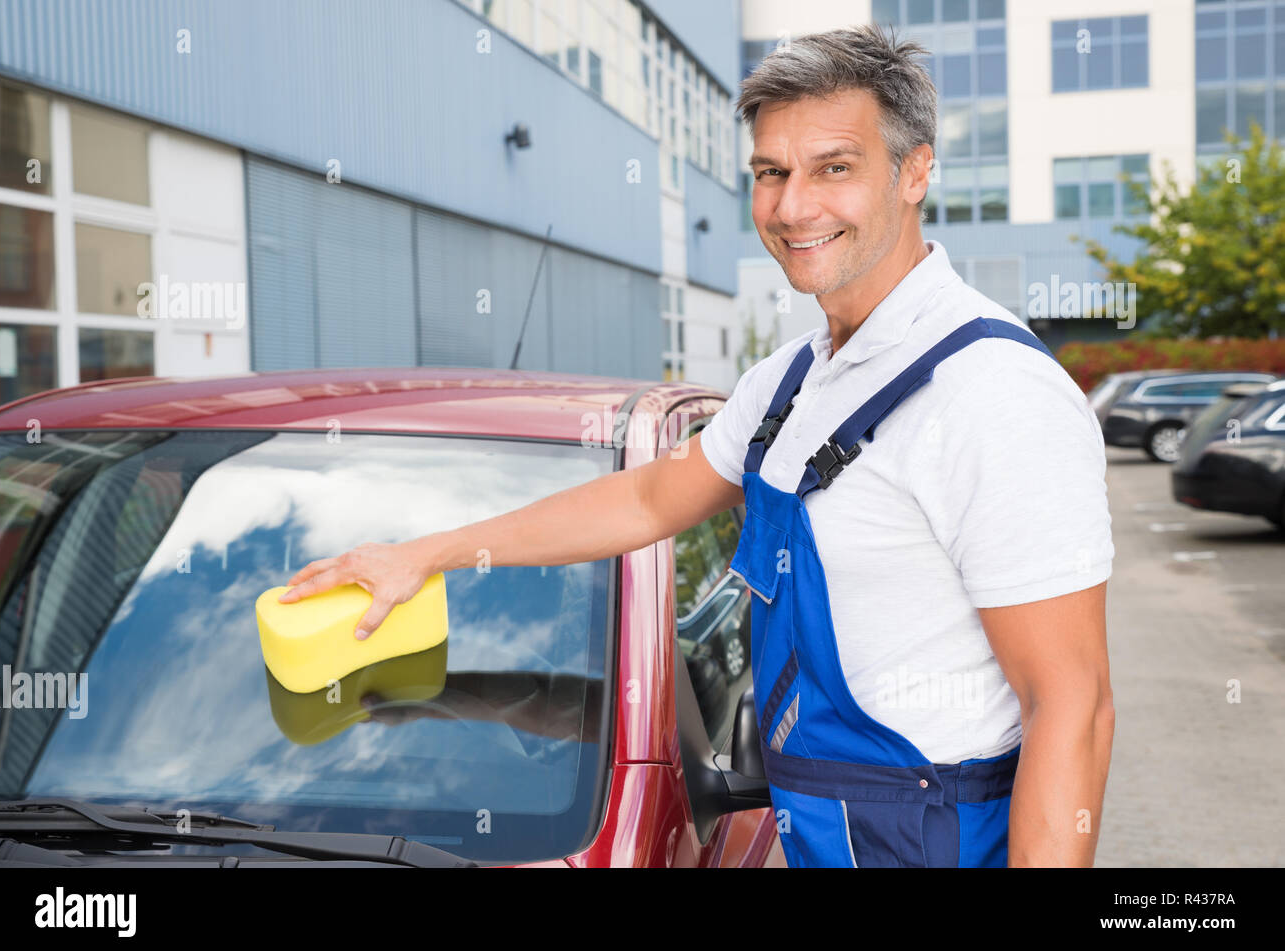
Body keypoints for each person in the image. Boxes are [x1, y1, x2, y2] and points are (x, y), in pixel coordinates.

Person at [280, 23, 1115, 868]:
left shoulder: (992, 392)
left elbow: (1072, 705)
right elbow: (643, 499)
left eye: (834, 167)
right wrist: (426, 555)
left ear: (915, 171)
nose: (793, 207)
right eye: (770, 173)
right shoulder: (790, 383)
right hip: (818, 833)